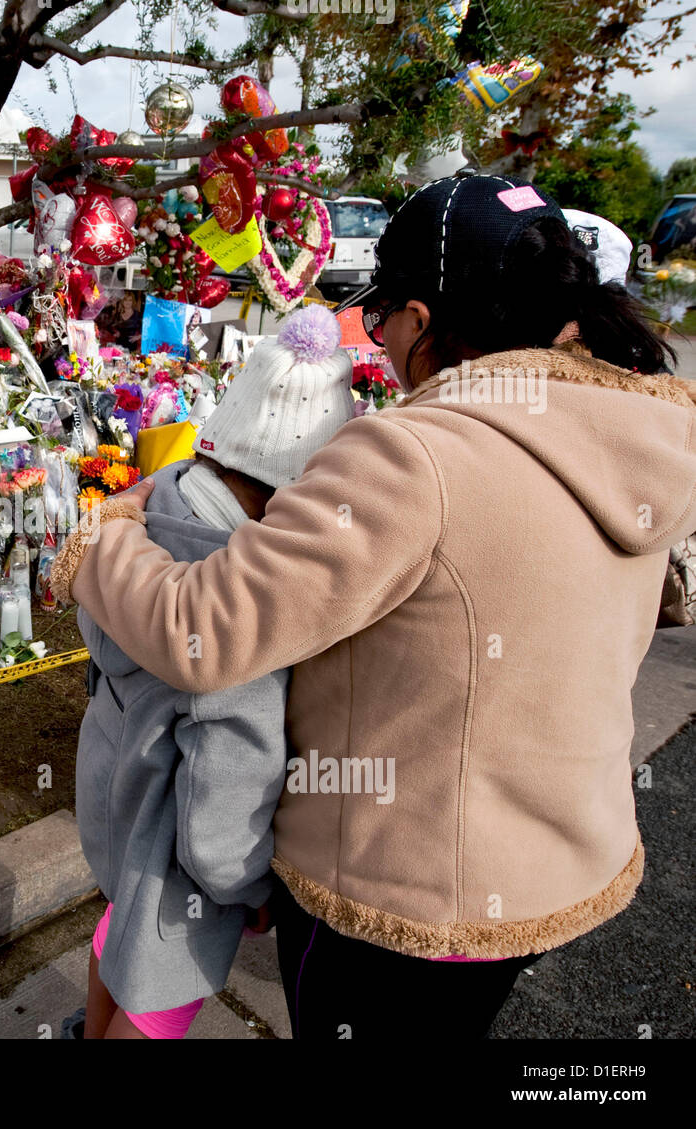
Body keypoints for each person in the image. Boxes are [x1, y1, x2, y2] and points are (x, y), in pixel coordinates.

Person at [51, 173, 696, 1039]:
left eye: (382, 315)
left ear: (421, 323)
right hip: (549, 872)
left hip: (399, 891)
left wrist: (106, 538)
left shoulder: (413, 457)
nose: (379, 341)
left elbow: (203, 632)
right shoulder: (631, 429)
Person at [77, 306, 355, 1039]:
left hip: (111, 793)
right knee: (156, 1002)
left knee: (116, 944)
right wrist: (250, 884)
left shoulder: (144, 508)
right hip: (177, 863)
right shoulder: (242, 606)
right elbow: (224, 796)